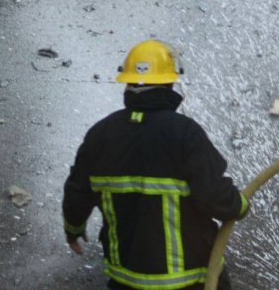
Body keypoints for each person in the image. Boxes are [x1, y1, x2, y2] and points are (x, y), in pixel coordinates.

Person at [62, 39, 250, 290]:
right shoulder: (185, 133)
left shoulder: (101, 134)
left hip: (125, 280)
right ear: (170, 83)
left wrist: (73, 229)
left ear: (127, 82)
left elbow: (77, 192)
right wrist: (241, 205)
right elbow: (215, 196)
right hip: (189, 280)